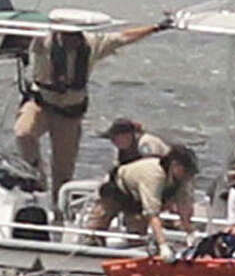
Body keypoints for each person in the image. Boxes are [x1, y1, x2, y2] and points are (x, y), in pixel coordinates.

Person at [13, 21, 166, 189]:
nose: (71, 40)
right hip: (41, 104)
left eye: (74, 36)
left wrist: (156, 28)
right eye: (66, 36)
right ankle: (36, 178)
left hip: (69, 113)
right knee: (23, 133)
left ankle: (59, 209)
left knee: (63, 169)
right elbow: (19, 35)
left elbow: (124, 37)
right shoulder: (42, 41)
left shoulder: (91, 43)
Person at [90, 145, 200, 253]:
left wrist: (190, 232)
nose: (188, 176)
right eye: (186, 171)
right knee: (96, 227)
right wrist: (163, 245)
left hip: (135, 201)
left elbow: (184, 209)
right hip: (116, 189)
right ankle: (90, 247)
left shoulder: (182, 180)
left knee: (137, 237)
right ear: (175, 165)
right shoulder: (154, 175)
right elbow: (152, 214)